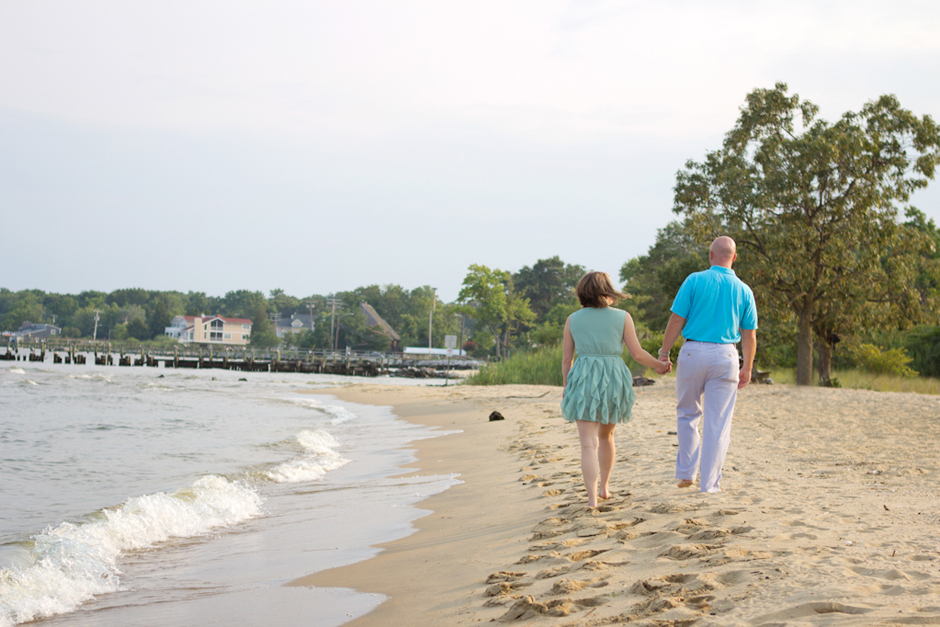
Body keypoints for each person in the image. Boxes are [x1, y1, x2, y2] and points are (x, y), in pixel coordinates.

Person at [562, 271, 671, 508]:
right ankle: (604, 488)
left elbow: (566, 359)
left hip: (583, 378)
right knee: (606, 435)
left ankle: (591, 499)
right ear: (607, 291)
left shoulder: (573, 319)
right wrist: (660, 365)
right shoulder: (623, 317)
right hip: (613, 379)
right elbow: (638, 354)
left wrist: (567, 386)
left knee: (587, 444)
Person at [658, 236, 757, 493]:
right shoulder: (744, 290)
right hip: (726, 355)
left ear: (710, 255)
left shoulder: (694, 280)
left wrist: (664, 352)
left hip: (693, 351)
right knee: (718, 423)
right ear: (734, 258)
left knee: (688, 413)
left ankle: (687, 472)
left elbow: (676, 320)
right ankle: (710, 485)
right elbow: (749, 334)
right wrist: (748, 367)